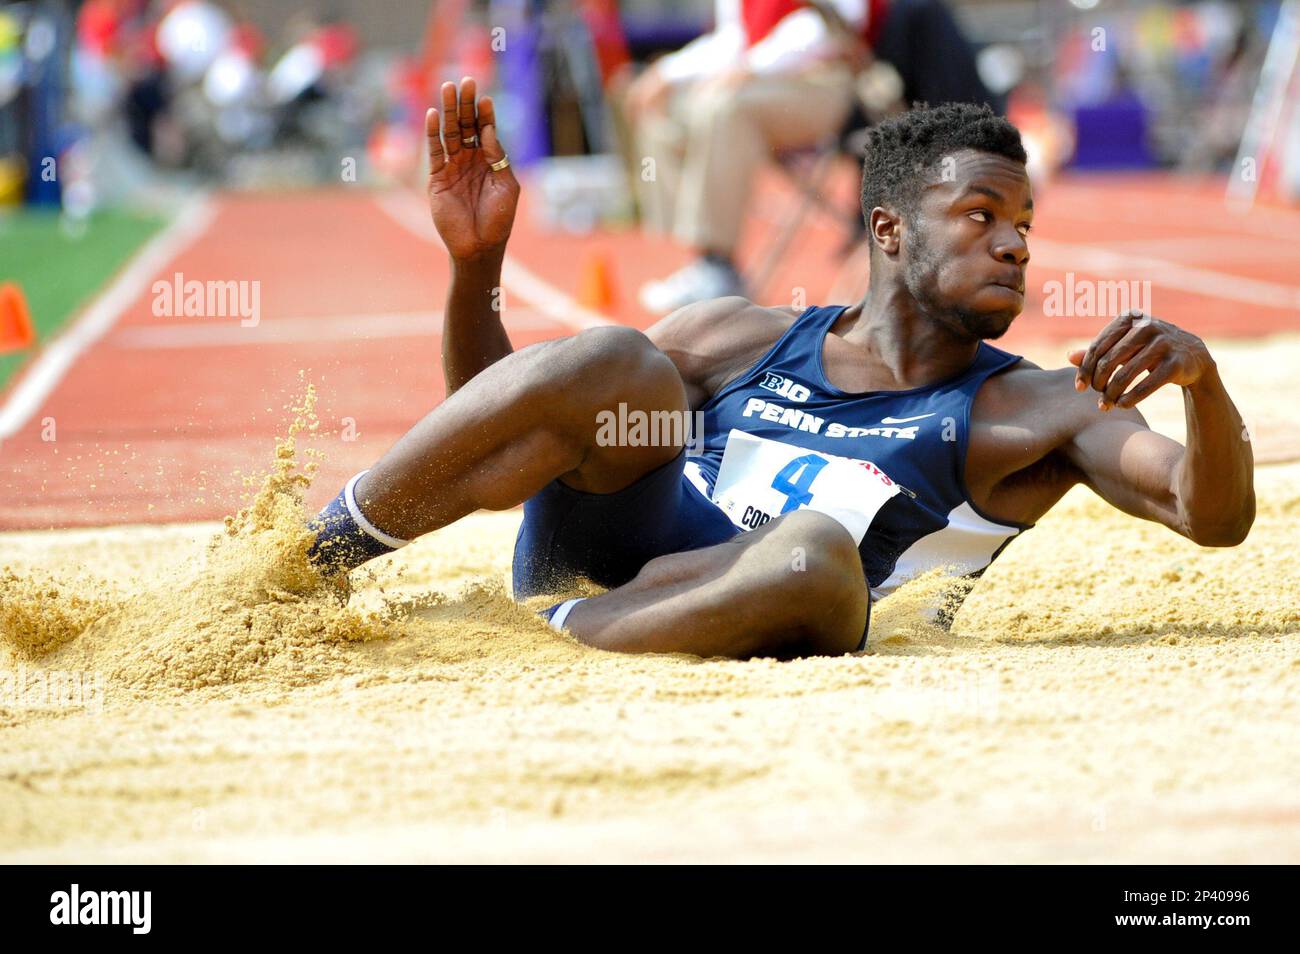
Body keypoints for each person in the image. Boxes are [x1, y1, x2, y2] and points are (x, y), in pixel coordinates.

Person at [306, 78, 1255, 660]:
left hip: (775, 600)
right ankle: (306, 563)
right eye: (981, 217)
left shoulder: (1042, 407)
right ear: (889, 229)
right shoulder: (738, 334)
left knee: (815, 550)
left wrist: (1203, 386)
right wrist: (477, 269)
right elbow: (509, 434)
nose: (1014, 246)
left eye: (1024, 226)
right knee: (614, 357)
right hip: (617, 548)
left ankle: (547, 640)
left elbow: (1210, 514)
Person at [626, 0, 867, 313]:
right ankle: (699, 254)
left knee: (725, 110)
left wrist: (753, 67)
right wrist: (666, 73)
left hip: (825, 81)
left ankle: (718, 266)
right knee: (662, 110)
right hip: (759, 81)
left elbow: (833, 22)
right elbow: (733, 39)